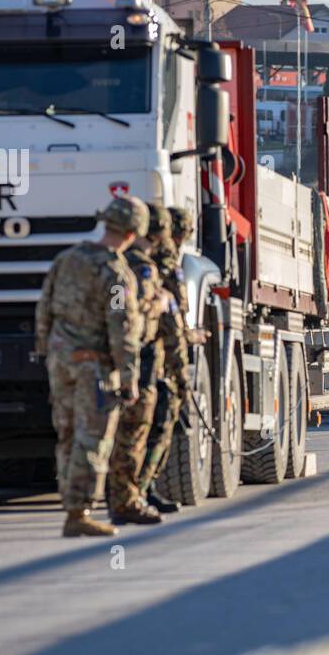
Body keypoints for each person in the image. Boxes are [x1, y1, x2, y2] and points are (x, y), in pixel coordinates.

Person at [35, 196, 146, 537]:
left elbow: (45, 308)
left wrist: (47, 350)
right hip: (92, 367)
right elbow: (121, 327)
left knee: (67, 434)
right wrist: (129, 377)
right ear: (131, 232)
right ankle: (78, 511)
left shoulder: (66, 260)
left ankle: (71, 504)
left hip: (61, 362)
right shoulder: (115, 273)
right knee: (92, 438)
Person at [105, 204, 177, 524]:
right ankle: (127, 499)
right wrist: (160, 303)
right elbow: (135, 316)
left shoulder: (109, 263)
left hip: (125, 357)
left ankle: (132, 495)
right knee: (135, 431)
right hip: (139, 357)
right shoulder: (140, 266)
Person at [139, 205, 192, 508]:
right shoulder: (166, 260)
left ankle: (131, 492)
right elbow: (173, 314)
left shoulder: (124, 260)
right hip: (154, 353)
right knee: (159, 420)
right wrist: (182, 373)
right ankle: (140, 490)